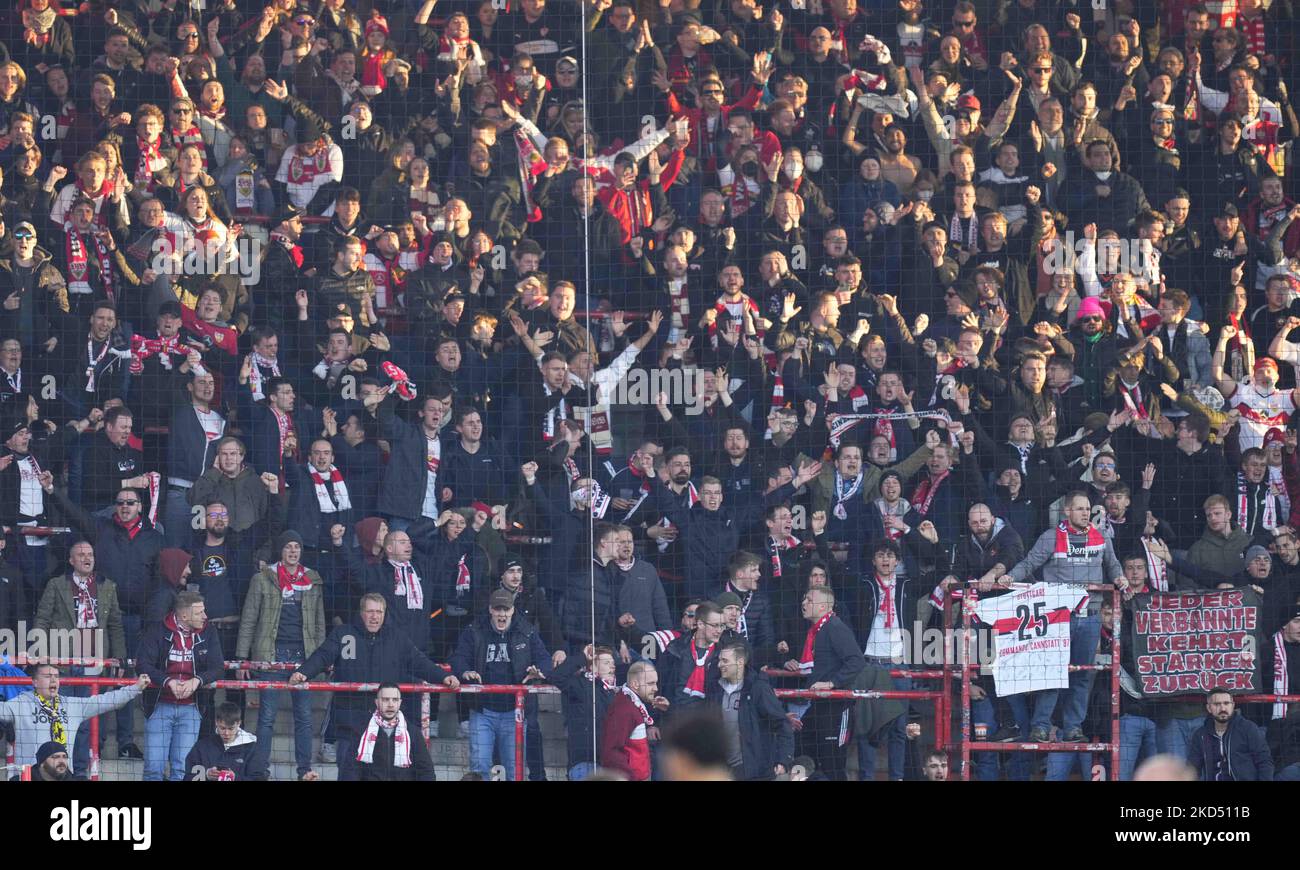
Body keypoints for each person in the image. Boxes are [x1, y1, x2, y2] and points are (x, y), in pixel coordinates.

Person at [291, 593, 458, 781]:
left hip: (384, 727)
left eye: (379, 612)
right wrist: (304, 672)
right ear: (361, 612)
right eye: (370, 611)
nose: (374, 616)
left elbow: (419, 662)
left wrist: (444, 677)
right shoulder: (344, 634)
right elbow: (323, 655)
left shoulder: (396, 637)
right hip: (350, 724)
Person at [235, 531, 326, 781]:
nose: (293, 551)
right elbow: (249, 618)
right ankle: (260, 771)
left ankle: (304, 771)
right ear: (280, 551)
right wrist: (243, 657)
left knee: (305, 717)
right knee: (266, 717)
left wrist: (320, 658)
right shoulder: (262, 578)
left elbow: (319, 623)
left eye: (297, 546)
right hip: (270, 655)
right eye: (288, 547)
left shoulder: (312, 579)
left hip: (303, 658)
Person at [449, 588, 551, 781]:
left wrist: (539, 671)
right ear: (490, 610)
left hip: (515, 713)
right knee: (479, 768)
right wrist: (465, 671)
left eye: (506, 609)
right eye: (498, 609)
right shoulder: (474, 630)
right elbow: (458, 657)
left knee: (515, 770)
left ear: (512, 610)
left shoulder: (527, 631)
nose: (502, 614)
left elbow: (545, 659)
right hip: (482, 711)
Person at [135, 590, 224, 781]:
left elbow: (218, 667)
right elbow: (142, 664)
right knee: (153, 769)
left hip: (191, 708)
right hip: (159, 706)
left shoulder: (209, 631)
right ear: (184, 615)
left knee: (182, 770)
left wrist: (197, 680)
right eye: (200, 613)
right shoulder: (157, 630)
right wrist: (168, 682)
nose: (205, 616)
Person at [0, 663, 146, 772]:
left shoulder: (71, 705)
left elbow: (106, 701)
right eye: (47, 676)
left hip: (62, 775)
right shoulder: (21, 703)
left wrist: (135, 688)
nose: (53, 681)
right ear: (35, 682)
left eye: (56, 676)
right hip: (30, 776)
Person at [783, 586, 864, 781]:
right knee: (803, 750)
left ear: (822, 606)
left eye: (809, 600)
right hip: (819, 705)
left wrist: (831, 683)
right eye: (804, 599)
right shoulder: (817, 630)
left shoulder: (835, 627)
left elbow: (857, 661)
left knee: (833, 764)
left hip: (837, 706)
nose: (803, 603)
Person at [703, 640, 794, 780]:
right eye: (720, 660)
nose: (719, 664)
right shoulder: (715, 690)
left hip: (754, 770)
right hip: (721, 770)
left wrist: (782, 760)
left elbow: (782, 725)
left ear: (740, 662)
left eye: (725, 661)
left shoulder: (758, 689)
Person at [1186, 689, 1275, 781]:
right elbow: (1192, 768)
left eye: (1226, 703)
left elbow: (1264, 761)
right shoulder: (1201, 735)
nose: (1223, 708)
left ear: (1233, 705)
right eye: (1217, 704)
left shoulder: (1248, 729)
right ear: (1209, 708)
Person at [600, 660, 665, 782]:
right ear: (635, 684)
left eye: (656, 683)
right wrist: (631, 777)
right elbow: (611, 752)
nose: (655, 688)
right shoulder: (624, 709)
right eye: (651, 683)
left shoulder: (631, 703)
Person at [356, 683, 436, 782]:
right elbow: (351, 769)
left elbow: (426, 770)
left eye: (395, 700)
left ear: (400, 703)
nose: (390, 704)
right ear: (377, 702)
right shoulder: (361, 731)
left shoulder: (413, 733)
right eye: (385, 699)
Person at [183, 702, 268, 781]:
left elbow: (259, 778)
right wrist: (206, 774)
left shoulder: (252, 748)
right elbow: (187, 776)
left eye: (231, 729)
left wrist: (235, 778)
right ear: (216, 722)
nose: (226, 733)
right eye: (223, 728)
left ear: (238, 723)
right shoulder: (202, 746)